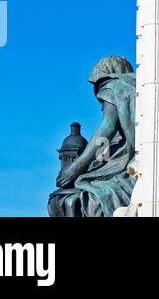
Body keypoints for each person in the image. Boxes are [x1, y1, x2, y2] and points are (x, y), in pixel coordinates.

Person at [48, 55, 136, 217]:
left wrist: (75, 168)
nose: (102, 104)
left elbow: (107, 128)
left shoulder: (114, 86)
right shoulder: (136, 89)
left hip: (126, 165)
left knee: (65, 200)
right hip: (129, 162)